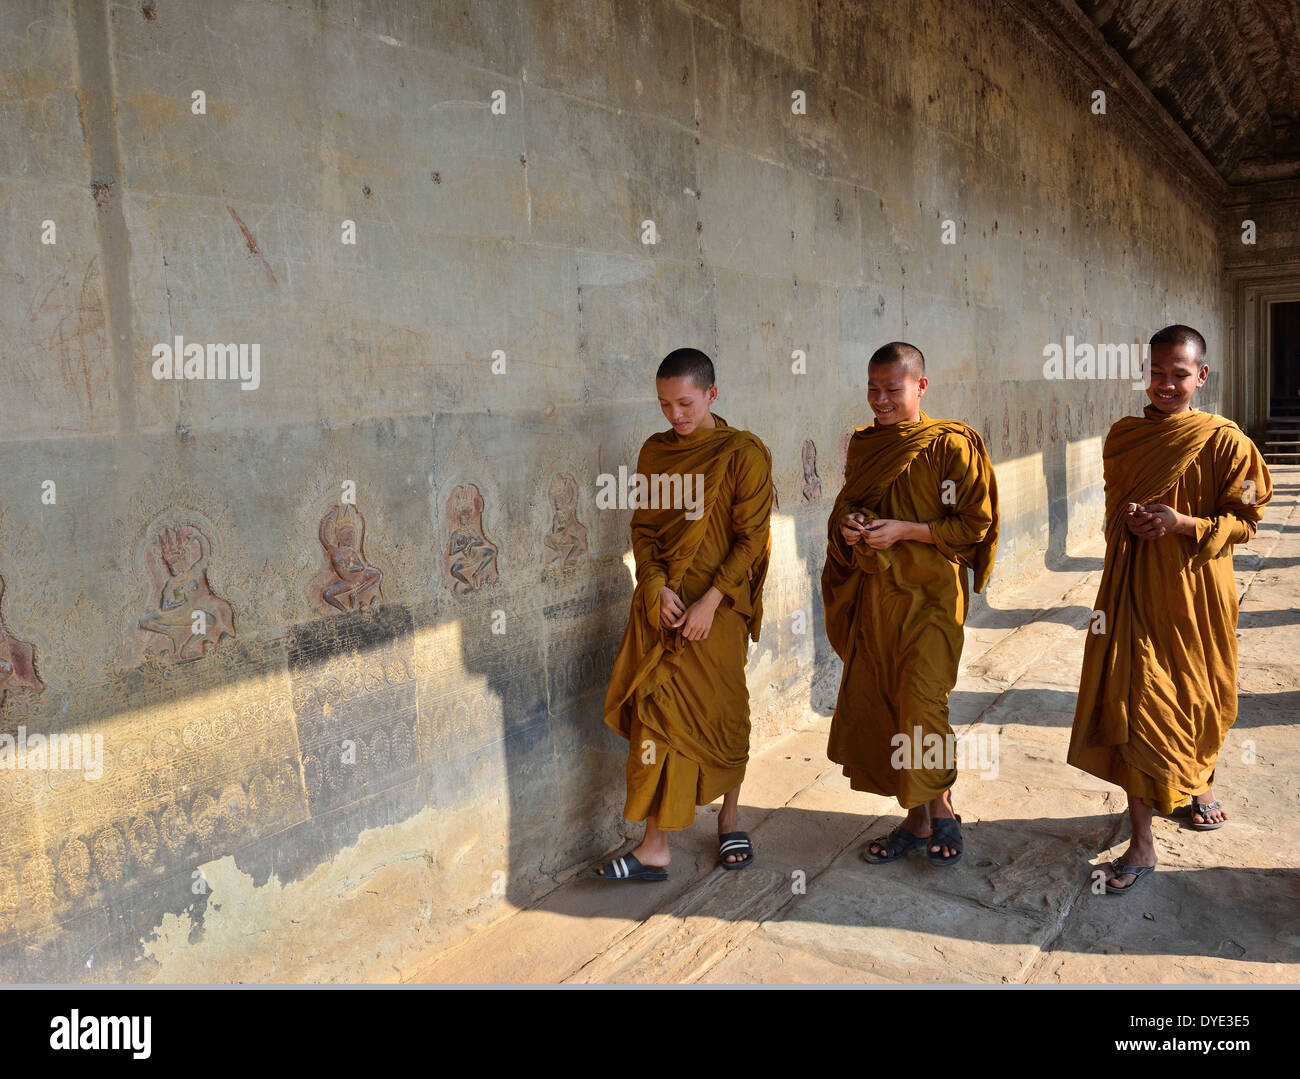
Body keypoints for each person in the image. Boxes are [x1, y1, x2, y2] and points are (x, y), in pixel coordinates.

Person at [1068, 325, 1272, 894]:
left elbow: (1248, 518)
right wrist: (1134, 521)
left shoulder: (1227, 442)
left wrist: (1184, 524)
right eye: (1156, 373)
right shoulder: (1126, 436)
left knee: (1202, 697)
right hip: (1133, 590)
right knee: (1137, 704)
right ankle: (1142, 840)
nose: (1166, 384)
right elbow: (1116, 511)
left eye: (1179, 374)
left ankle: (1198, 779)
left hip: (1197, 594)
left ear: (1200, 376)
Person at [593, 348, 773, 880]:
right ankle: (654, 845)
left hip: (718, 608)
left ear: (712, 395)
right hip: (664, 609)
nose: (675, 415)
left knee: (722, 710)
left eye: (685, 403)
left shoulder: (743, 453)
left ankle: (730, 817)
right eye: (665, 404)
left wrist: (710, 601)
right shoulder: (655, 452)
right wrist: (652, 588)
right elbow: (644, 529)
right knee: (657, 713)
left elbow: (752, 538)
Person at [822, 342, 998, 867]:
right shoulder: (864, 445)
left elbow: (974, 525)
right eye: (872, 390)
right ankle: (917, 821)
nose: (880, 400)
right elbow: (848, 505)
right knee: (891, 706)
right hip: (878, 599)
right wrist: (850, 527)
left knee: (924, 703)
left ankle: (942, 806)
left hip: (931, 600)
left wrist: (907, 531)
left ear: (920, 387)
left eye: (891, 390)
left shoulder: (950, 445)